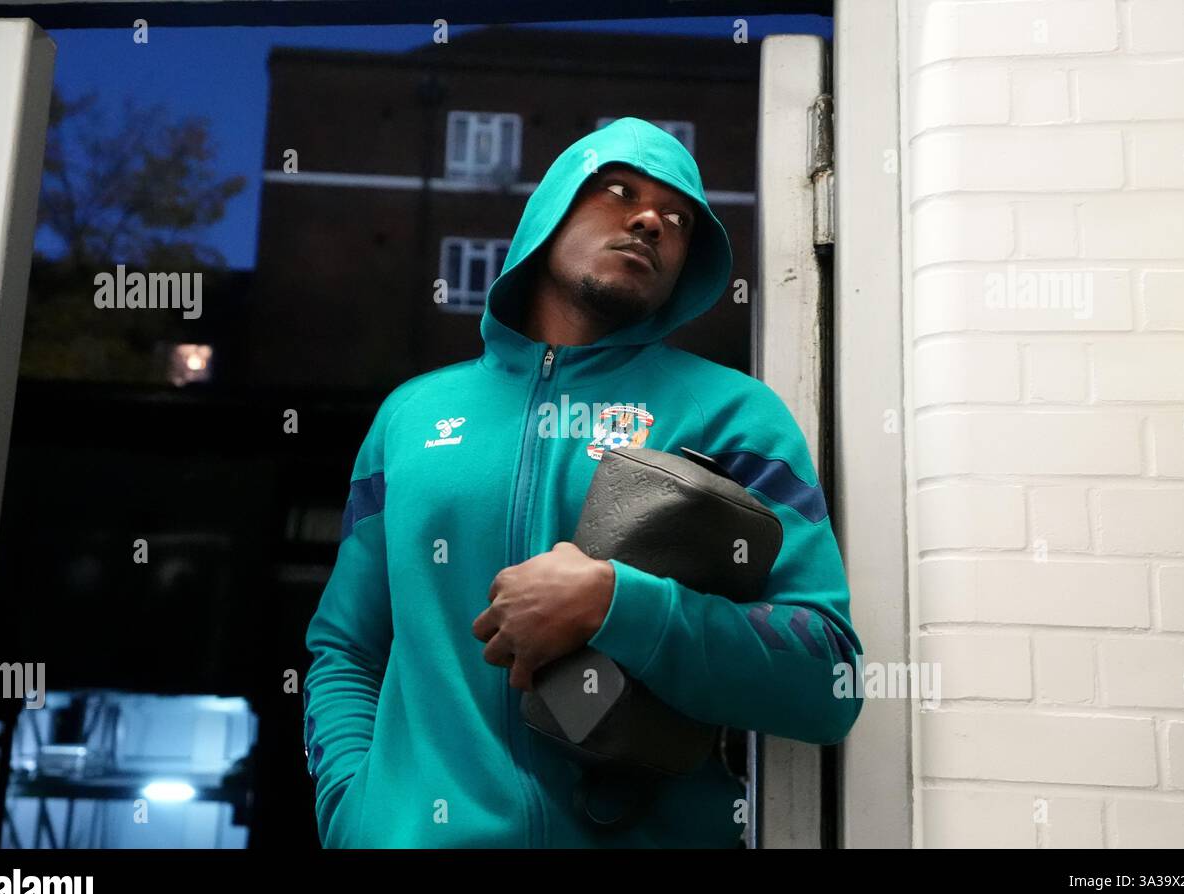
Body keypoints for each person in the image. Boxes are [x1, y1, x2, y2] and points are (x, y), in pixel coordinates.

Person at [303, 116, 863, 848]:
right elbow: (346, 647)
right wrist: (353, 812)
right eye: (617, 190)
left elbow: (827, 674)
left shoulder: (734, 416)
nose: (650, 221)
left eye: (678, 218)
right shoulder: (411, 417)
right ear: (550, 210)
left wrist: (614, 604)